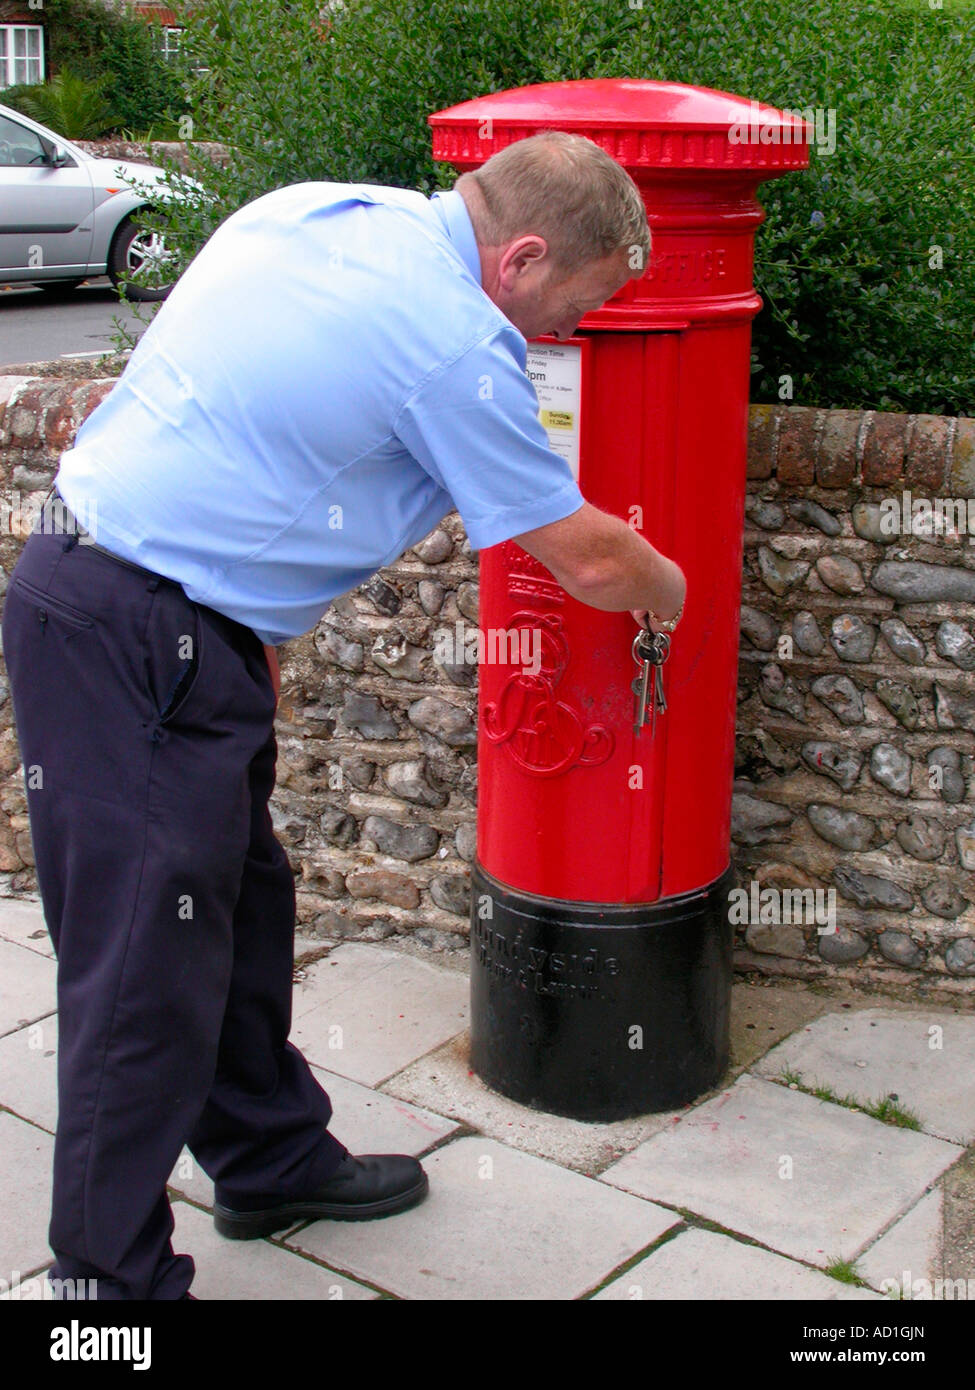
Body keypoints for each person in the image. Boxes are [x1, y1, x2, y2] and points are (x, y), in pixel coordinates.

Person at [1, 131, 686, 1300]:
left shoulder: (320, 207)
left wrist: (244, 631)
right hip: (141, 629)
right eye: (578, 304)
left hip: (136, 604)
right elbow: (578, 552)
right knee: (142, 976)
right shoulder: (458, 343)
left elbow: (225, 398)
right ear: (521, 257)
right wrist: (677, 591)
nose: (569, 335)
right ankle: (102, 1293)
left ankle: (266, 1157)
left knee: (243, 912)